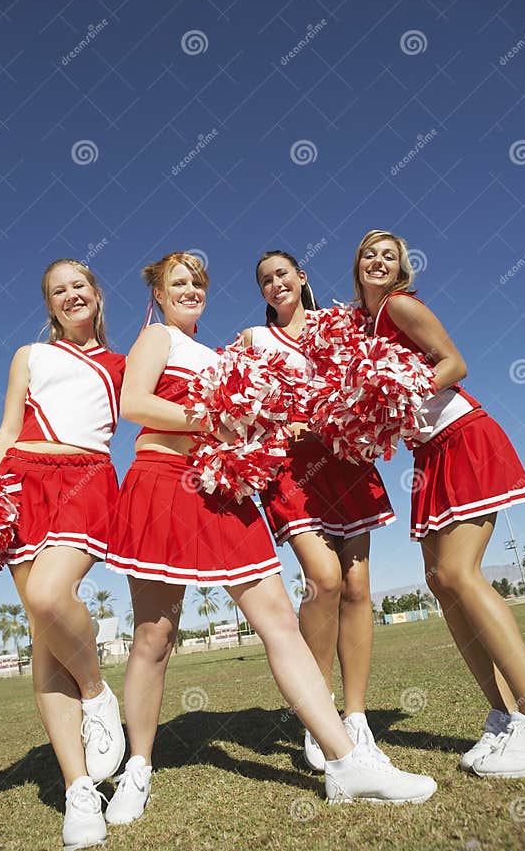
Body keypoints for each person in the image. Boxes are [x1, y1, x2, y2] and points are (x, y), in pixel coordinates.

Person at [104, 251, 436, 826]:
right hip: (164, 484)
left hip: (223, 492)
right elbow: (132, 403)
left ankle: (345, 760)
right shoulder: (158, 340)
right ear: (157, 294)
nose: (190, 290)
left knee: (280, 620)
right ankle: (136, 768)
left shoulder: (219, 354)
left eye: (197, 283)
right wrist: (214, 418)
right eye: (177, 283)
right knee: (153, 638)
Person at [354, 229, 525, 777]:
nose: (381, 261)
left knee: (460, 572)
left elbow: (454, 364)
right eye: (371, 253)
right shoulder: (364, 328)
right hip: (429, 454)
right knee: (439, 580)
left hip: (464, 438)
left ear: (401, 269)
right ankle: (503, 718)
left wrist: (395, 399)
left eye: (391, 255)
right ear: (357, 264)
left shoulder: (399, 306)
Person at [0, 259, 126, 850]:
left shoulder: (124, 365)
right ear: (50, 305)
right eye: (58, 290)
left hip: (86, 477)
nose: (71, 295)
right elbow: (7, 428)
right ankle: (79, 790)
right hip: (21, 481)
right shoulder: (29, 354)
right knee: (43, 635)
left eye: (79, 285)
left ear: (96, 294)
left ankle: (95, 692)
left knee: (49, 595)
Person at [240, 250, 396, 772]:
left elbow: (373, 372)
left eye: (282, 273)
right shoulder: (253, 339)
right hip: (291, 470)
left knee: (357, 588)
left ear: (302, 277)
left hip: (347, 458)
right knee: (324, 580)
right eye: (265, 280)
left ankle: (355, 717)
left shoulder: (340, 323)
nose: (274, 283)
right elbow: (237, 401)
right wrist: (275, 430)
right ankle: (319, 707)